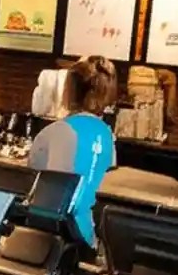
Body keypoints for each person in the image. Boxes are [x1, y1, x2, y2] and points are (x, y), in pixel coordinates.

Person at [27, 56, 118, 246]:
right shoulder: (107, 136)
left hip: (47, 236)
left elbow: (33, 179)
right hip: (89, 237)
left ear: (68, 90)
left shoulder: (53, 132)